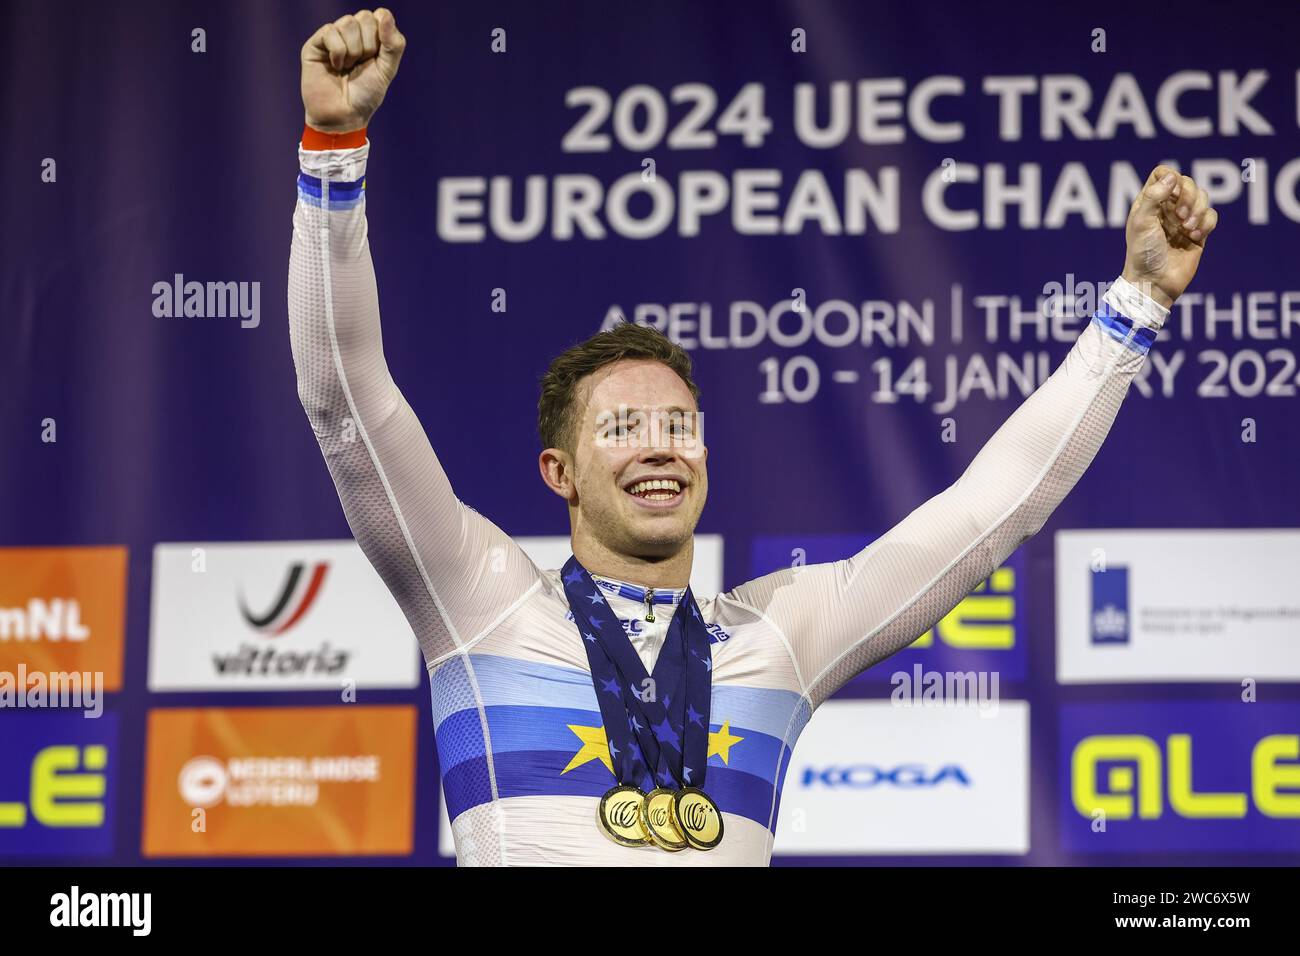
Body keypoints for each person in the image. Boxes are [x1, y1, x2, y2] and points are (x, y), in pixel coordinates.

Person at [288, 9, 1217, 865]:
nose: (660, 447)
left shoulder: (779, 636)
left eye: (679, 426)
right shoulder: (480, 600)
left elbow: (991, 512)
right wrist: (334, 149)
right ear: (558, 472)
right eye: (623, 428)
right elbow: (344, 401)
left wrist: (1136, 304)